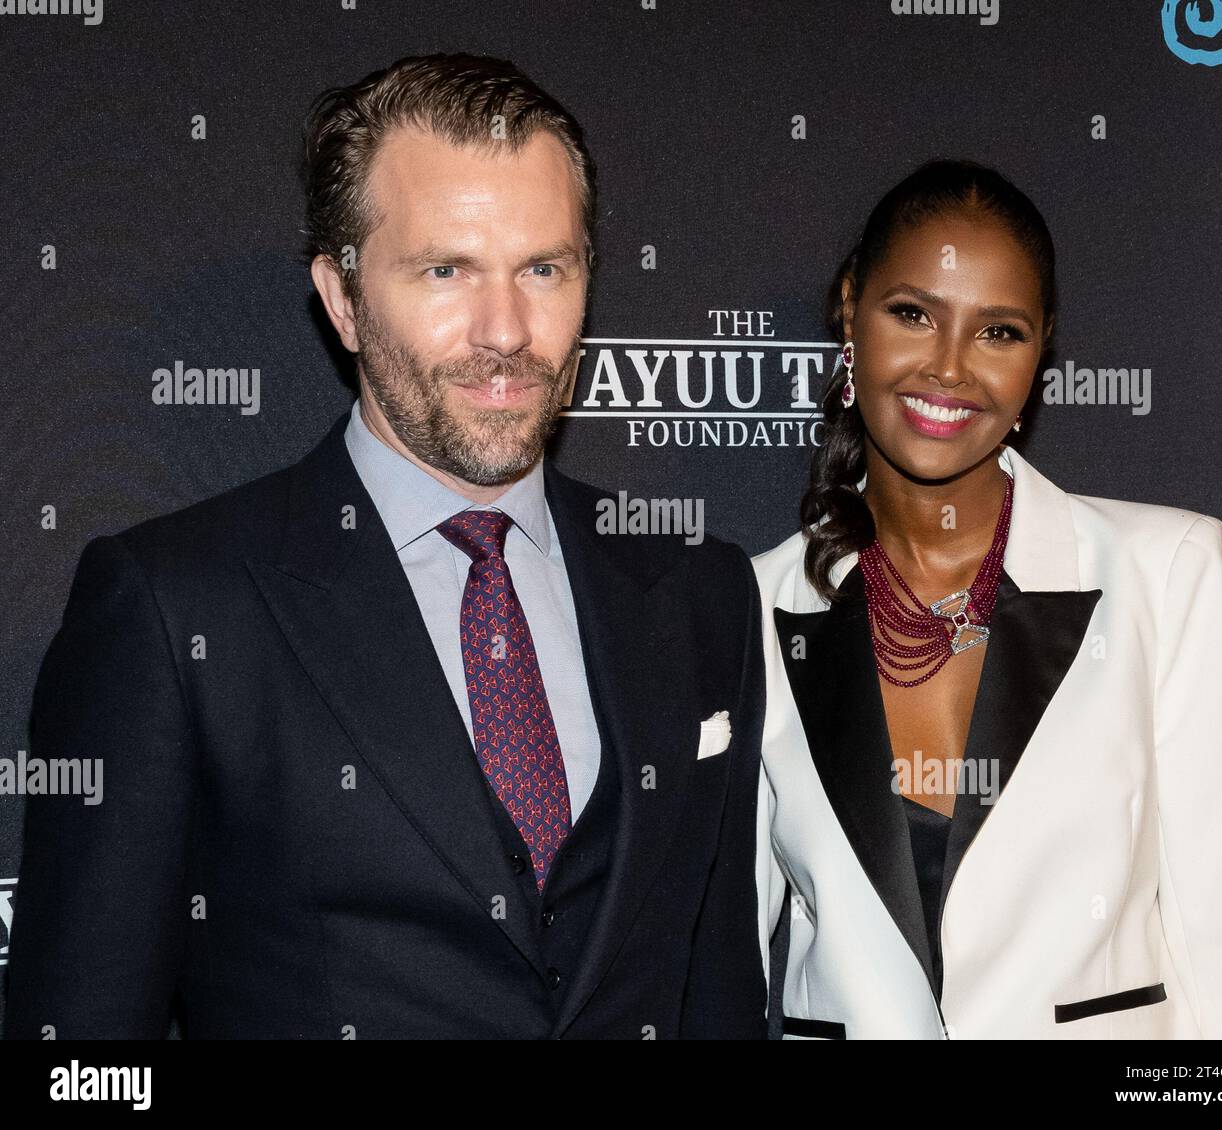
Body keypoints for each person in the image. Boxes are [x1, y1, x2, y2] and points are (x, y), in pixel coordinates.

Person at [4, 52, 767, 1040]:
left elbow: (717, 998)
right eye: (445, 270)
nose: (506, 329)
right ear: (343, 295)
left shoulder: (697, 588)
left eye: (544, 267)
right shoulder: (176, 605)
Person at [752, 158, 1222, 1039]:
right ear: (850, 310)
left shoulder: (1167, 573)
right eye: (912, 314)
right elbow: (716, 962)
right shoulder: (751, 610)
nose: (949, 369)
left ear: (1042, 352)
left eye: (998, 332)